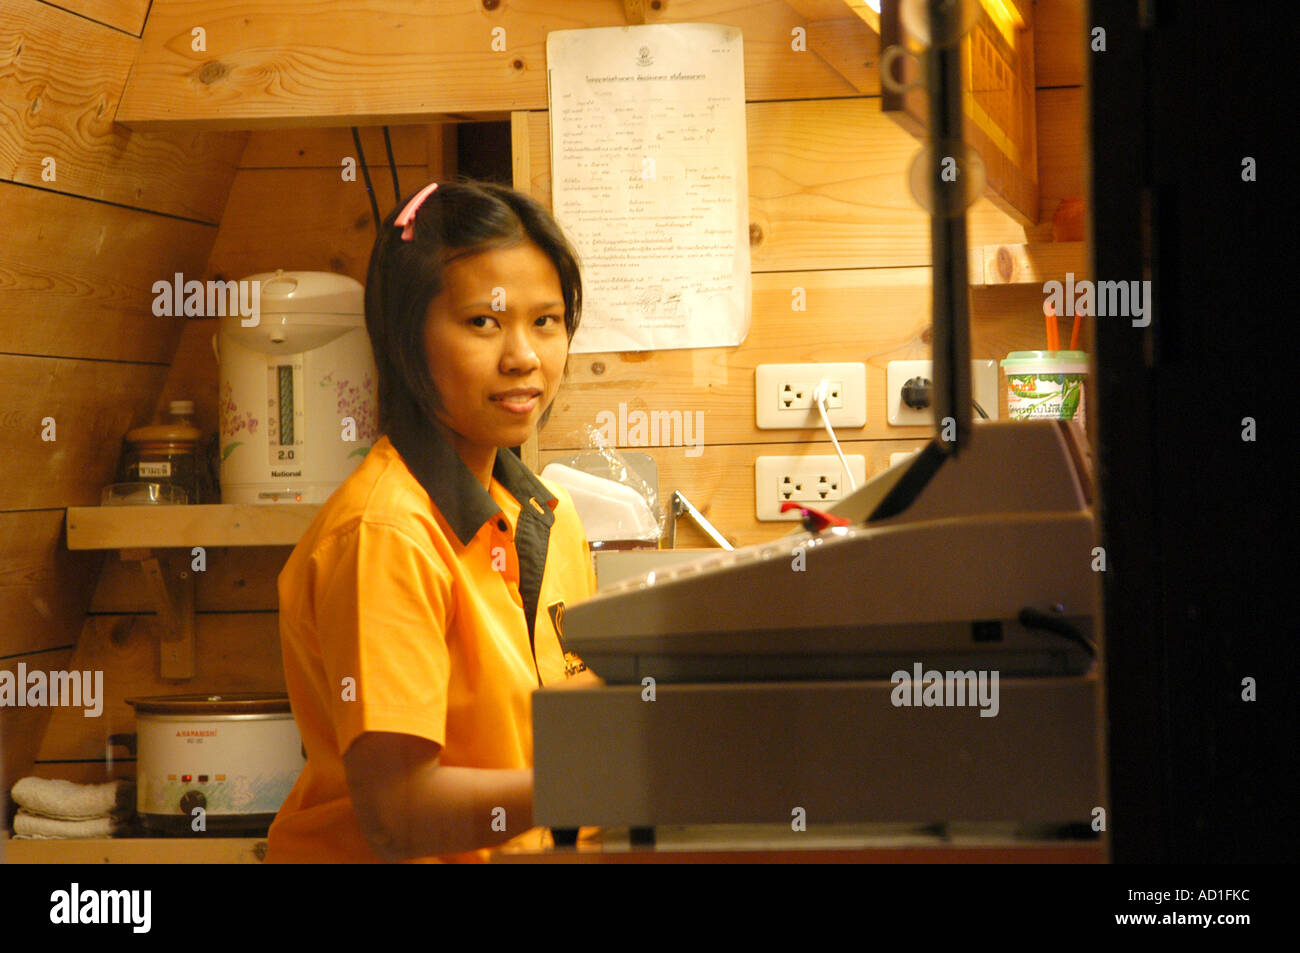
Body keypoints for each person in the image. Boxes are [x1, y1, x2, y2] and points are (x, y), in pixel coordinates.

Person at [266, 179, 599, 863]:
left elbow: (554, 720)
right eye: (484, 321)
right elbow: (399, 814)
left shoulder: (545, 515)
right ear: (405, 336)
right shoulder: (386, 535)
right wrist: (616, 782)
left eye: (547, 320)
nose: (524, 356)